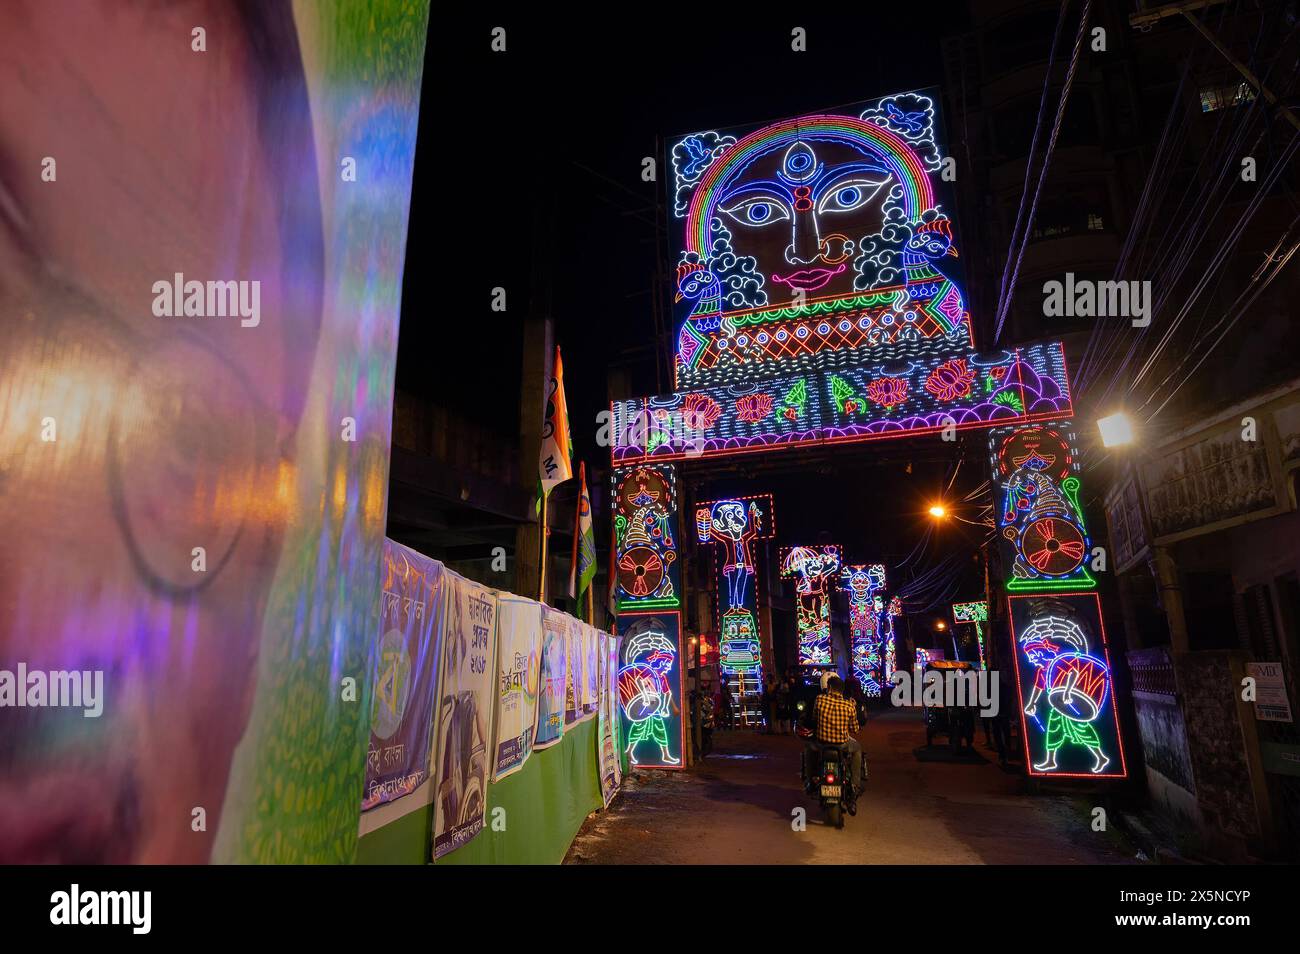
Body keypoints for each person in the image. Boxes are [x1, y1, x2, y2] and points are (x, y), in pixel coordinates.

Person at [807, 676, 864, 813]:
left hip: (822, 744)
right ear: (842, 690)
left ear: (830, 688)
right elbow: (855, 729)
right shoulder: (849, 705)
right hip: (842, 745)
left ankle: (811, 780)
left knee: (809, 748)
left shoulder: (819, 700)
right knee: (857, 750)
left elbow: (814, 718)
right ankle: (855, 786)